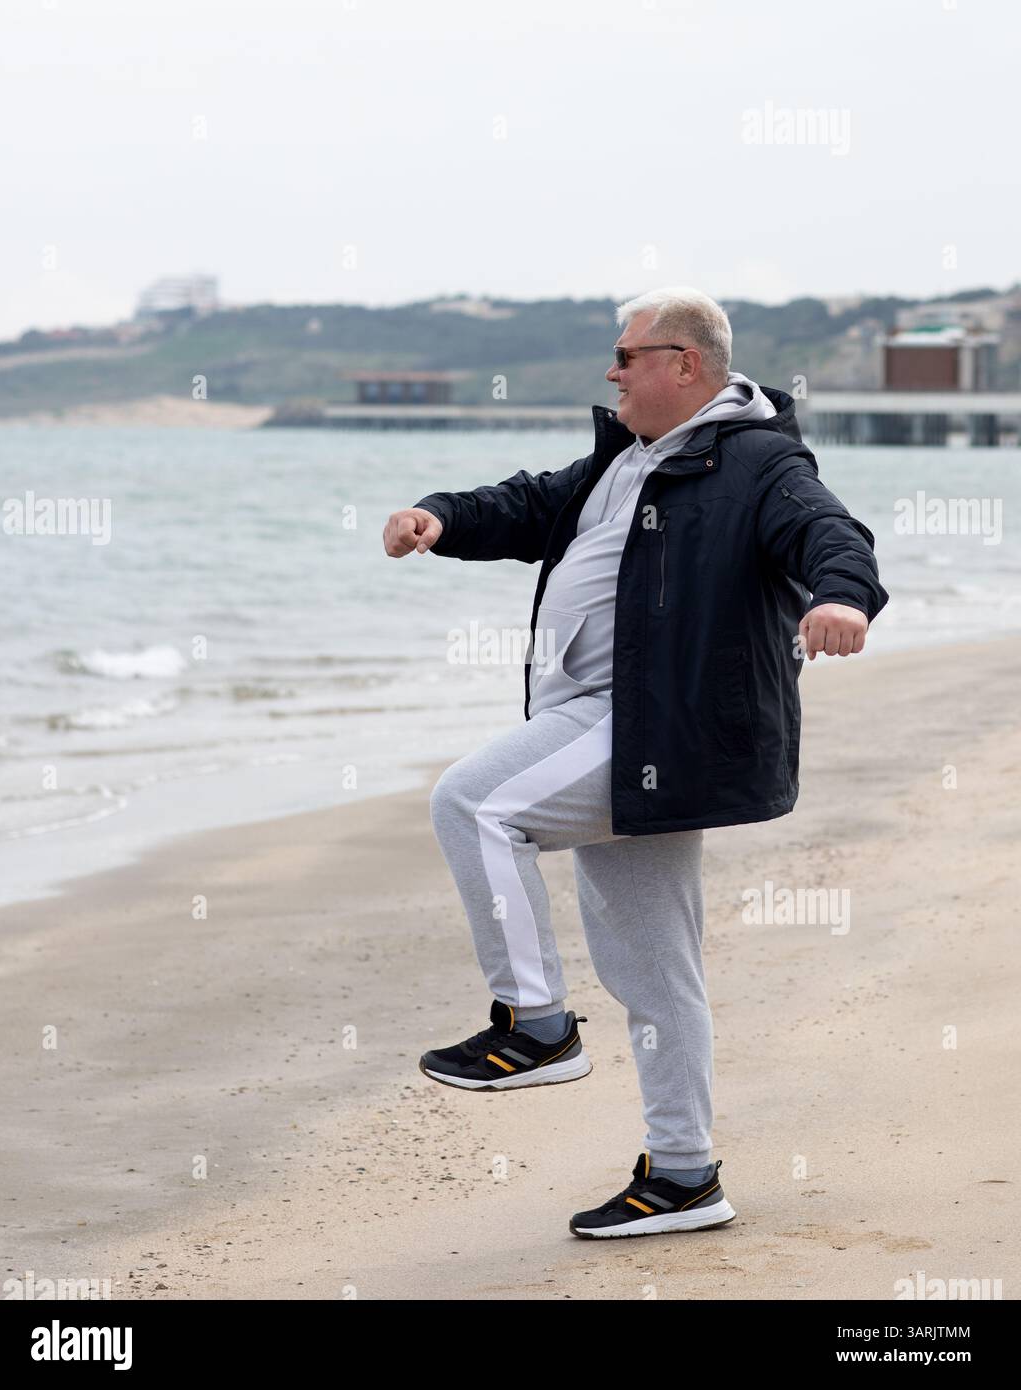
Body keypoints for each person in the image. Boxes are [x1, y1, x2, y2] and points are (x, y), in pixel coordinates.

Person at [381, 286, 889, 1239]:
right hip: (612, 727)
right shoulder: (628, 458)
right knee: (658, 972)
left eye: (627, 355)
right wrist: (439, 516)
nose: (611, 371)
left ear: (686, 365)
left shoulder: (756, 461)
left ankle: (533, 1024)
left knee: (474, 803)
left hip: (652, 724)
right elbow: (529, 504)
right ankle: (686, 1174)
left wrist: (844, 600)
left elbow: (832, 535)